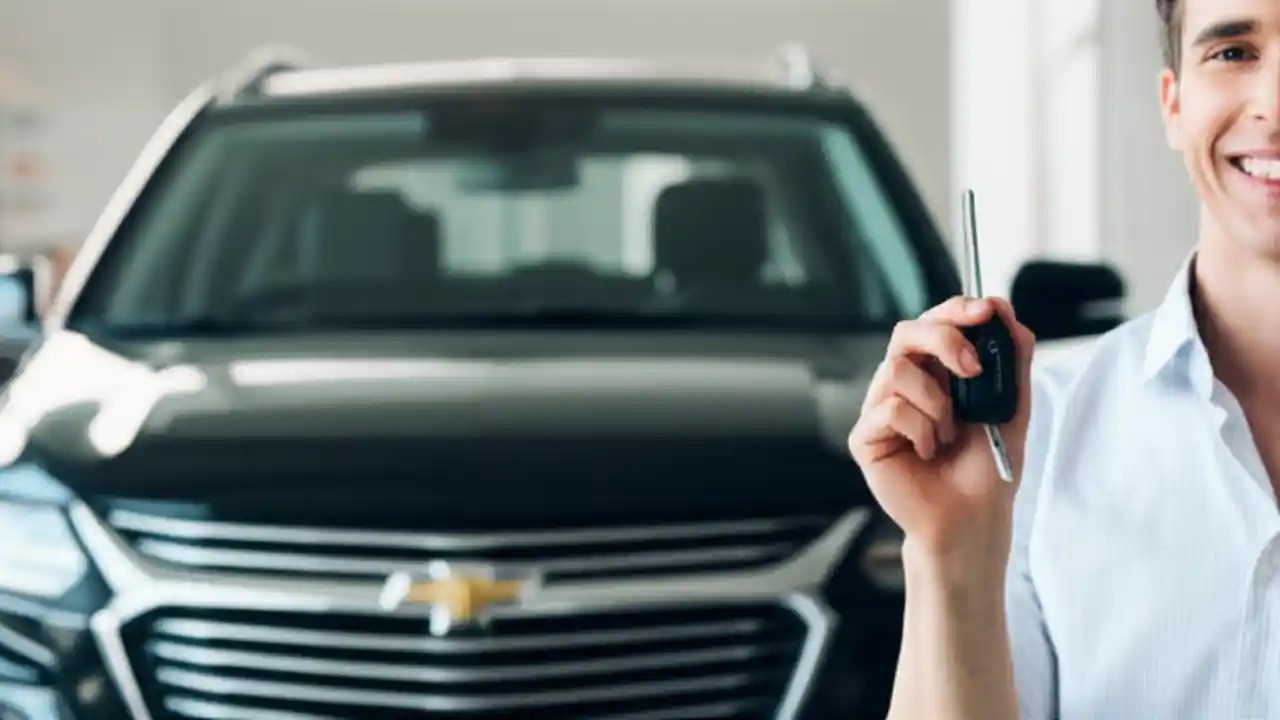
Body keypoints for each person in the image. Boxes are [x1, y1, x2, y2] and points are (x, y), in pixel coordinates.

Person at [847, 0, 1280, 717]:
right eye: (1232, 52)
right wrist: (953, 556)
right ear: (1173, 104)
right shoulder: (1031, 440)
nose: (1274, 101)